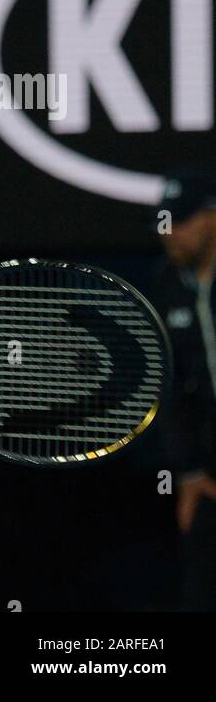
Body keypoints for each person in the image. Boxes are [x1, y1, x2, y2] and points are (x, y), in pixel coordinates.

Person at [151, 169, 216, 610]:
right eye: (164, 222)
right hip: (208, 479)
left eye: (183, 220)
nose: (170, 233)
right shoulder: (164, 289)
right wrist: (188, 474)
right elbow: (169, 392)